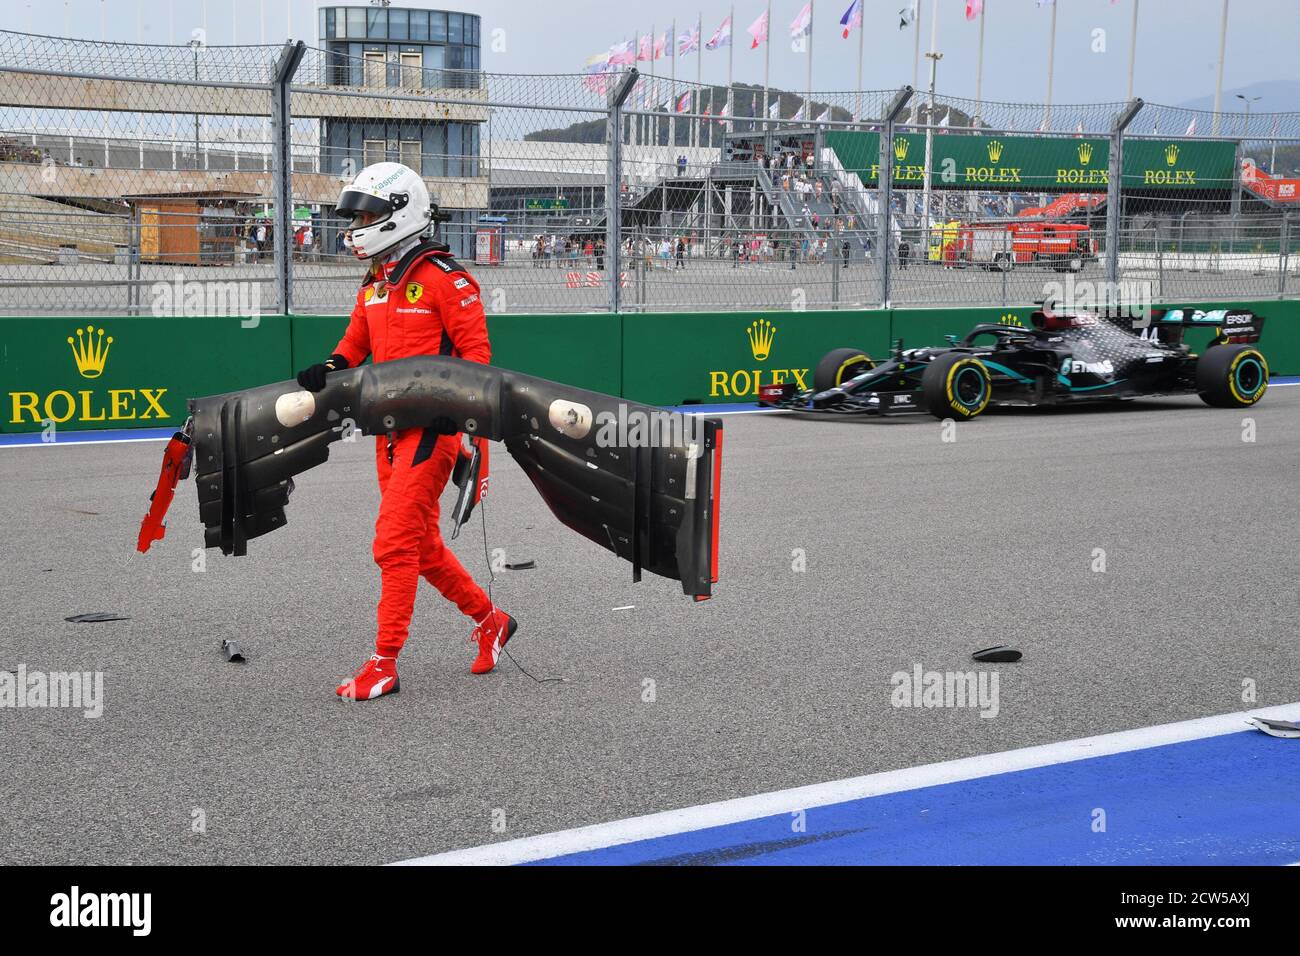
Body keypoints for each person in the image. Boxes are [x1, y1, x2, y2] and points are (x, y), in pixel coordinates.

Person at [294, 162, 515, 701]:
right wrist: (329, 365)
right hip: (387, 432)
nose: (357, 225)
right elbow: (353, 342)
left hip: (433, 434)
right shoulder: (375, 281)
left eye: (367, 214)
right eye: (357, 215)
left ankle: (384, 663)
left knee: (393, 543)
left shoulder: (447, 278)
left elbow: (478, 360)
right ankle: (492, 620)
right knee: (422, 546)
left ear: (399, 213)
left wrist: (466, 429)